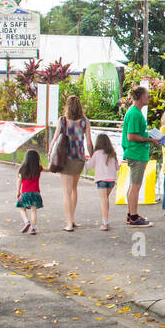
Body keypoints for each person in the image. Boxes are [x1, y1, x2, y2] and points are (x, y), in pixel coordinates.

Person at [54, 93, 94, 232]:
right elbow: (89, 142)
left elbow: (55, 138)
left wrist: (50, 152)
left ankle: (69, 223)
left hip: (65, 158)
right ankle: (73, 219)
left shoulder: (63, 120)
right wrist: (92, 155)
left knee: (67, 191)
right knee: (74, 189)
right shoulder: (85, 121)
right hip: (79, 158)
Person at [121, 86, 157, 227]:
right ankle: (134, 217)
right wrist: (149, 139)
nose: (149, 98)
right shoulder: (135, 113)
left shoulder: (134, 112)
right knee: (135, 186)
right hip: (136, 153)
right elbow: (131, 136)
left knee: (133, 185)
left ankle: (131, 214)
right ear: (141, 96)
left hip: (135, 153)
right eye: (147, 95)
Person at [88, 134, 118, 231]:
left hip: (101, 180)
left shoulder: (97, 153)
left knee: (103, 200)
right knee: (106, 200)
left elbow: (89, 167)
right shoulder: (112, 153)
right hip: (112, 180)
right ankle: (106, 221)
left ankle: (105, 223)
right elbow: (117, 167)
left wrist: (87, 160)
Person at [15, 149, 44, 234]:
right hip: (36, 193)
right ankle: (33, 228)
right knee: (33, 210)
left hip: (25, 193)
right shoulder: (39, 168)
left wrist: (18, 192)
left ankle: (27, 222)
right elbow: (48, 169)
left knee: (21, 208)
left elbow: (19, 181)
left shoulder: (22, 169)